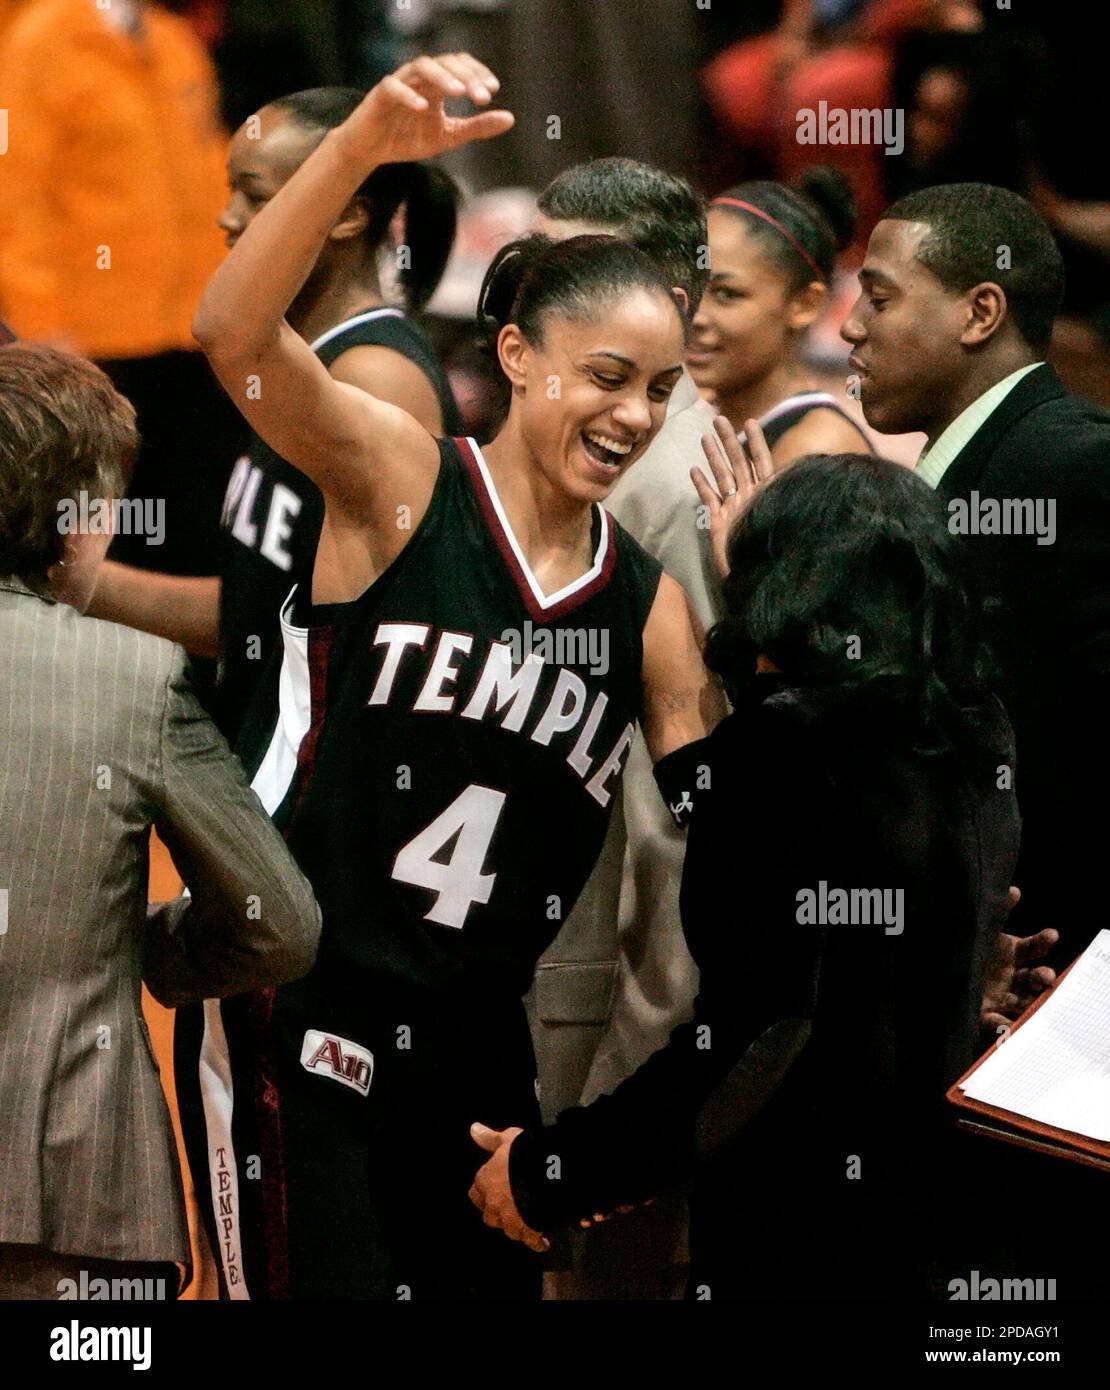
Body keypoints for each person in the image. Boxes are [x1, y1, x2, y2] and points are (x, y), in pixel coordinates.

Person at [186, 53, 723, 1300]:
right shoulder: (404, 478)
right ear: (519, 354)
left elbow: (731, 838)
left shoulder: (651, 609)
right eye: (606, 377)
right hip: (310, 1002)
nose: (635, 416)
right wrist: (362, 147)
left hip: (484, 1048)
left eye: (659, 389)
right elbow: (231, 336)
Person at [470, 423, 1051, 1299]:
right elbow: (764, 793)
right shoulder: (975, 734)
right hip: (938, 1224)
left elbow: (749, 1043)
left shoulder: (778, 756)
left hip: (800, 1236)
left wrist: (553, 1173)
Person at [0, 344, 321, 1299]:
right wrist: (135, 951)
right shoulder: (136, 676)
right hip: (79, 1200)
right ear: (77, 521)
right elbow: (281, 923)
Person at [87, 86, 461, 743]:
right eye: (231, 190)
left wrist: (84, 582)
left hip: (319, 772)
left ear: (346, 217)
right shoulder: (301, 363)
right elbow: (254, 615)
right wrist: (74, 578)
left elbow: (378, 639)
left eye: (255, 196)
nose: (227, 217)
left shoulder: (376, 378)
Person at [525, 156, 717, 1298]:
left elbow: (682, 807)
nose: (534, 294)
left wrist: (639, 1060)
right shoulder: (603, 454)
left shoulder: (668, 483)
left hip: (618, 1004)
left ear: (668, 301)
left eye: (570, 269)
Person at [839, 182, 1110, 968]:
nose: (850, 325)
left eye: (880, 298)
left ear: (980, 313)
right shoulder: (977, 472)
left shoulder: (1075, 464)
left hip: (1055, 971)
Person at [0, 0, 243, 580]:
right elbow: (14, 200)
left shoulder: (172, 41)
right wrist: (43, 333)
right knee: (112, 540)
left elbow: (214, 174)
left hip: (194, 335)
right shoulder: (38, 44)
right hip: (95, 346)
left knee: (196, 529)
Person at [689, 168, 873, 469]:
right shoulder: (710, 419)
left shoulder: (816, 450)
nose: (695, 315)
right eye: (691, 286)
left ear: (804, 304)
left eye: (727, 294)